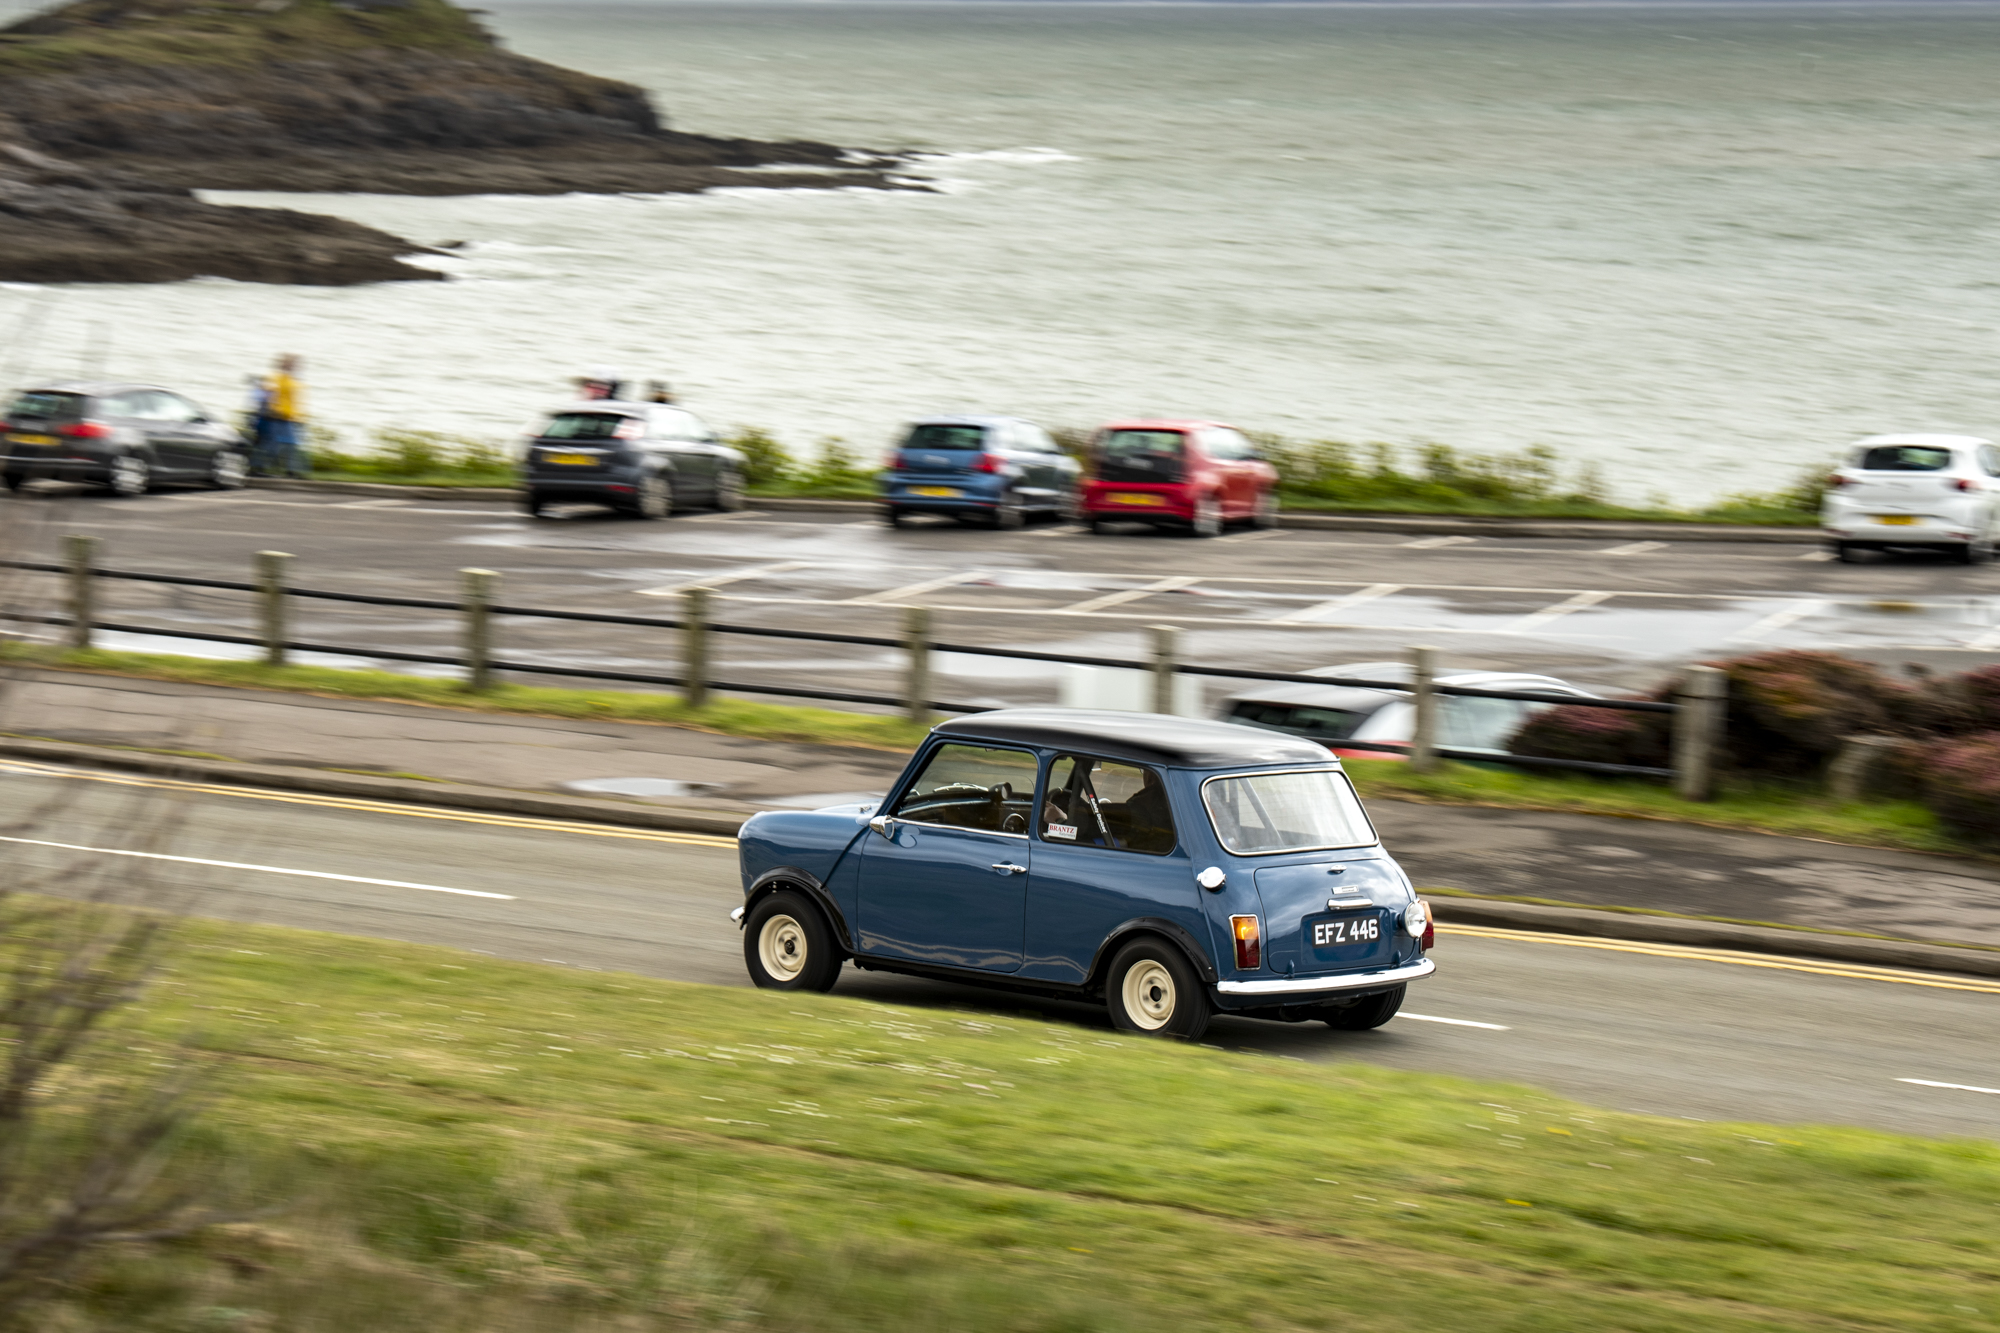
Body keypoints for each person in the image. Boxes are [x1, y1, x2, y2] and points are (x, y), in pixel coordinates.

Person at [265, 354, 308, 479]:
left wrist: (298, 415)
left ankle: (290, 471)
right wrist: (272, 409)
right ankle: (269, 469)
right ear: (284, 364)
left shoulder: (290, 379)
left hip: (287, 418)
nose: (292, 366)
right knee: (274, 446)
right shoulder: (277, 378)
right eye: (289, 364)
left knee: (290, 445)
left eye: (292, 364)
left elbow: (294, 398)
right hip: (277, 417)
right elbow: (270, 395)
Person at [242, 373, 276, 475]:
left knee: (261, 444)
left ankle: (257, 467)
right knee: (258, 443)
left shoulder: (263, 392)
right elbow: (254, 406)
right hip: (258, 420)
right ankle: (254, 467)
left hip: (264, 421)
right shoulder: (258, 392)